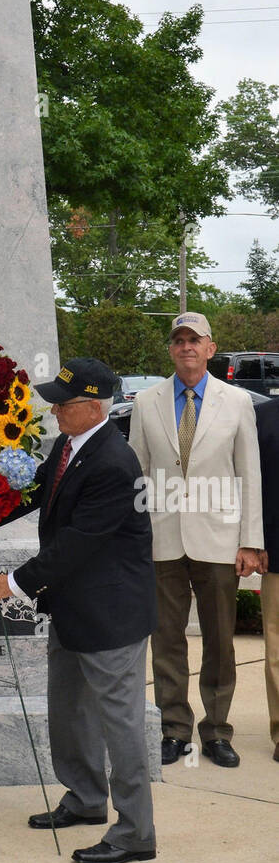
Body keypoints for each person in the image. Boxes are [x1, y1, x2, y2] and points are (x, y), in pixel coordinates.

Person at [0, 357, 157, 863]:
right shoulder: (69, 445)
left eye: (62, 403)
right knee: (70, 711)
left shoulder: (113, 462)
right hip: (72, 607)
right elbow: (36, 493)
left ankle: (135, 835)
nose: (54, 410)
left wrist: (14, 583)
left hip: (111, 616)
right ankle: (84, 800)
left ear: (91, 407)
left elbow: (79, 543)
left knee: (119, 725)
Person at [129, 312, 265, 768]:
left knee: (220, 641)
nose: (186, 346)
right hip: (162, 539)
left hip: (221, 541)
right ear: (170, 349)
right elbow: (139, 474)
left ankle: (218, 731)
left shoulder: (238, 401)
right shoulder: (146, 402)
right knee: (166, 639)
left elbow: (250, 474)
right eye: (179, 340)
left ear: (211, 348)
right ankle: (173, 729)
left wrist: (250, 541)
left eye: (195, 340)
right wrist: (135, 537)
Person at [253, 400, 279, 761]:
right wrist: (255, 543)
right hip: (277, 550)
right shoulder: (263, 418)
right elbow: (250, 485)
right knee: (276, 646)